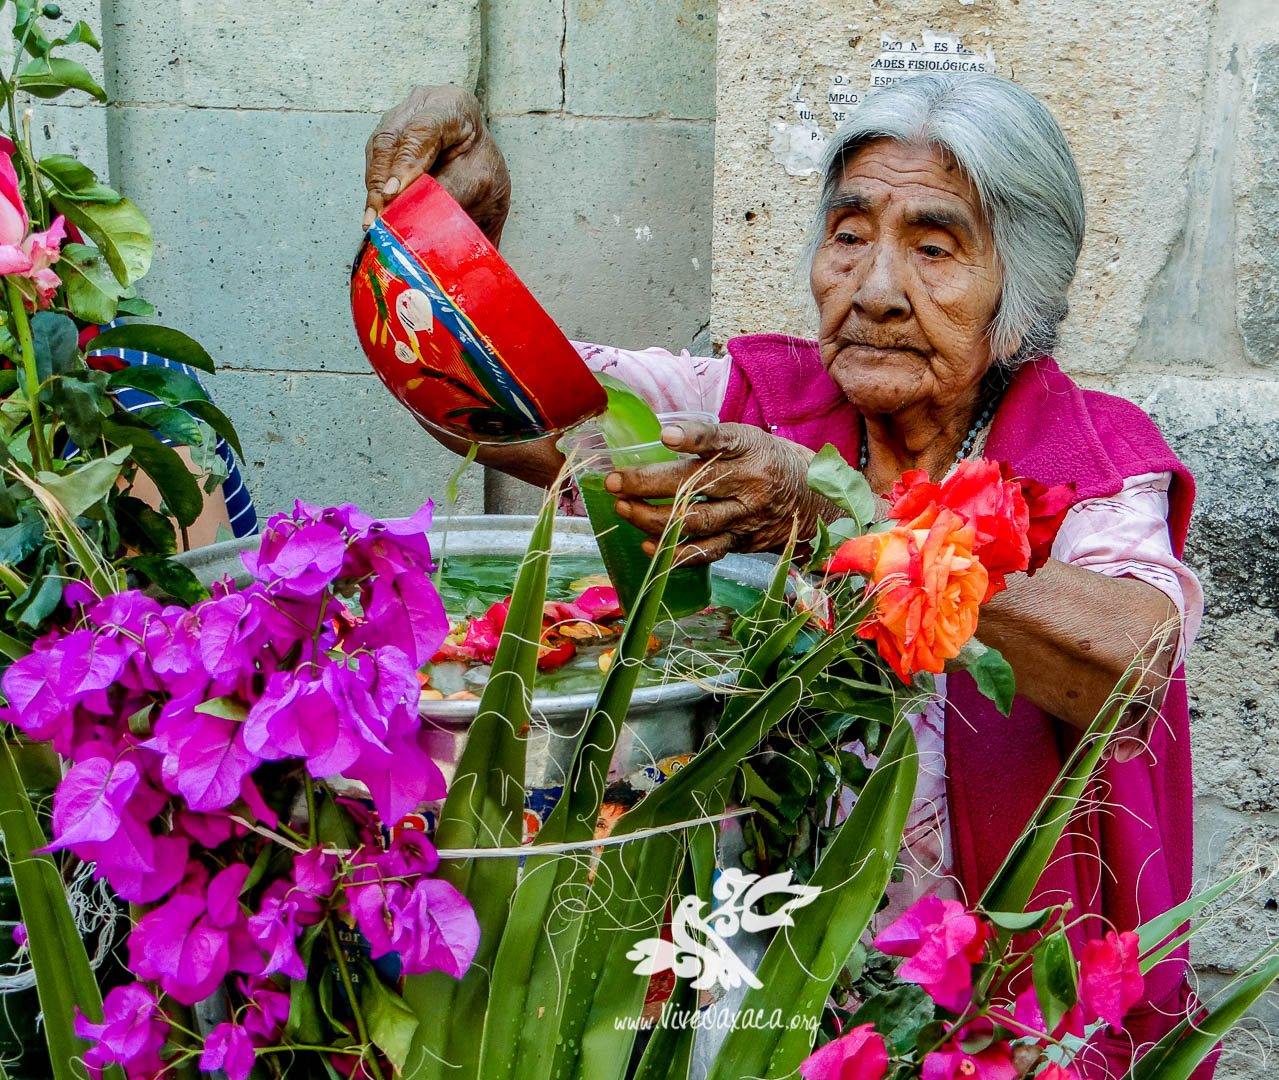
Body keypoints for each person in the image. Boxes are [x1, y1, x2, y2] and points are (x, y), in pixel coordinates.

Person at [363, 73, 1210, 1077]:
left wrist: (843, 522)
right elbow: (496, 401)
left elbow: (1126, 661)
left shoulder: (1089, 458)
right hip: (753, 971)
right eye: (850, 235)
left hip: (984, 998)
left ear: (1017, 301)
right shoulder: (757, 400)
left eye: (934, 249)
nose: (878, 288)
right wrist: (440, 243)